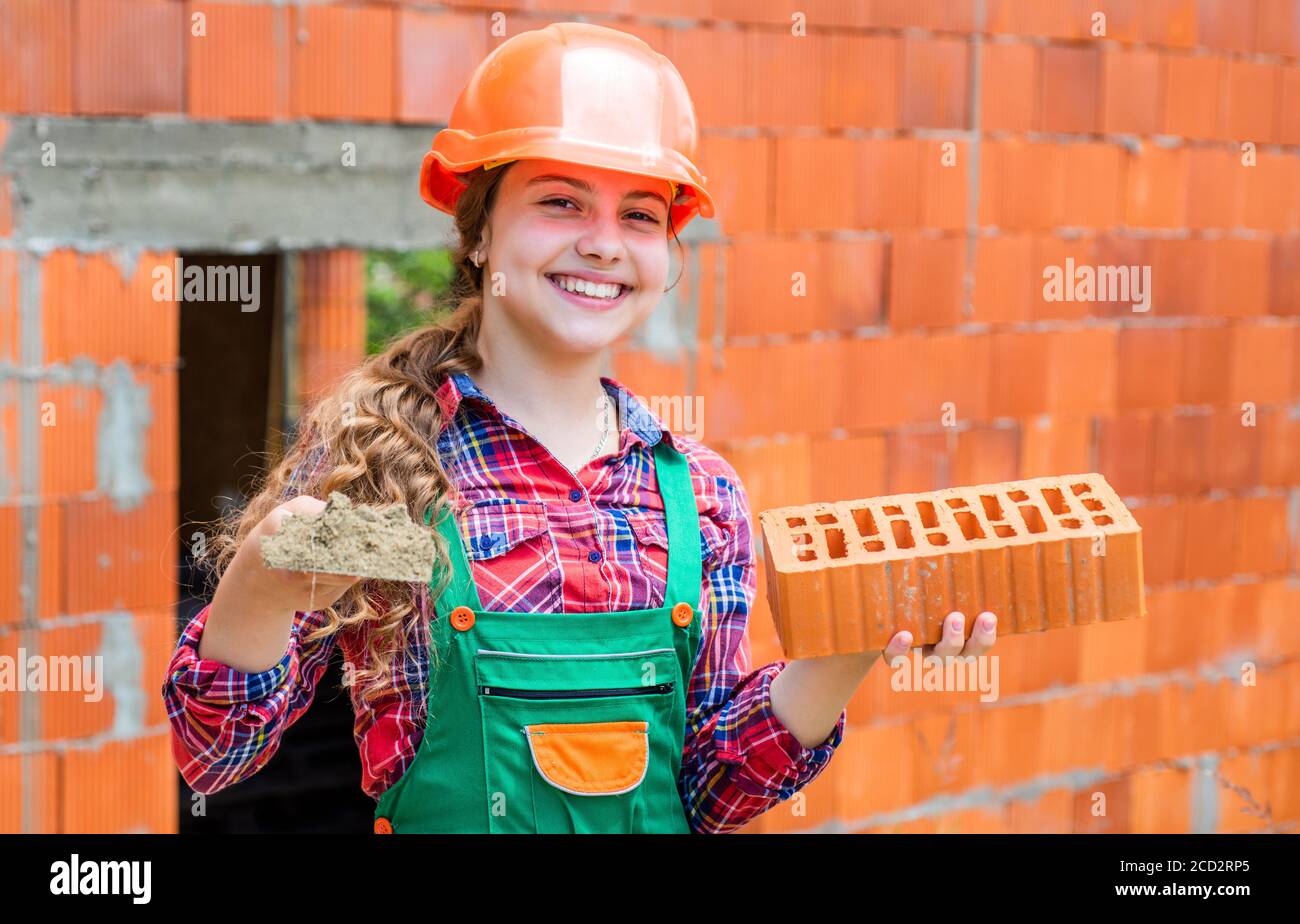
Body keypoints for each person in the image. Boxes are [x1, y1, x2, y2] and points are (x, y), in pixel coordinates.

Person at [163, 21, 999, 834]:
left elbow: (710, 794)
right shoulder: (385, 464)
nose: (603, 245)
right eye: (561, 202)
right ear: (481, 232)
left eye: (640, 216)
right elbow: (215, 756)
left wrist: (849, 648)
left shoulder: (699, 496)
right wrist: (261, 589)